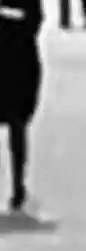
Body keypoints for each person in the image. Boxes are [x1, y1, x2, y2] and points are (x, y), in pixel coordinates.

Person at [0, 0, 42, 212]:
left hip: (18, 61)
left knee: (18, 123)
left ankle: (18, 185)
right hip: (20, 59)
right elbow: (34, 21)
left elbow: (35, 22)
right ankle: (18, 185)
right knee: (18, 124)